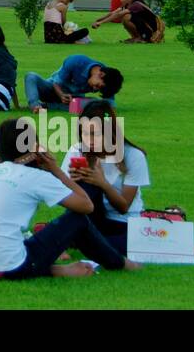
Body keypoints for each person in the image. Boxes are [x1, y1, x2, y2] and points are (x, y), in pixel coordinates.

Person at [0, 117, 140, 279]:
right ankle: (120, 263)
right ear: (33, 147)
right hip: (9, 267)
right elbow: (85, 206)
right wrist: (55, 169)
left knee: (17, 242)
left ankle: (58, 270)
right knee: (77, 220)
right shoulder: (35, 177)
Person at [63, 101, 150, 255]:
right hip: (92, 219)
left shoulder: (133, 156)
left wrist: (103, 183)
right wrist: (72, 183)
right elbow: (65, 200)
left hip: (124, 222)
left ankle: (74, 238)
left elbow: (123, 208)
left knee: (126, 245)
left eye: (95, 134)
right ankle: (76, 238)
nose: (89, 140)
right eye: (84, 133)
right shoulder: (77, 150)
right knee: (87, 186)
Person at [23, 54, 123, 112]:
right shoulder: (76, 61)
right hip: (52, 89)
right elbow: (56, 83)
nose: (95, 89)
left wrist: (107, 109)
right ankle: (35, 106)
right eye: (97, 86)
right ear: (101, 74)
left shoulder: (110, 78)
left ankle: (47, 106)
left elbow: (110, 105)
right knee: (31, 76)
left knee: (96, 103)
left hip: (73, 99)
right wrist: (62, 95)